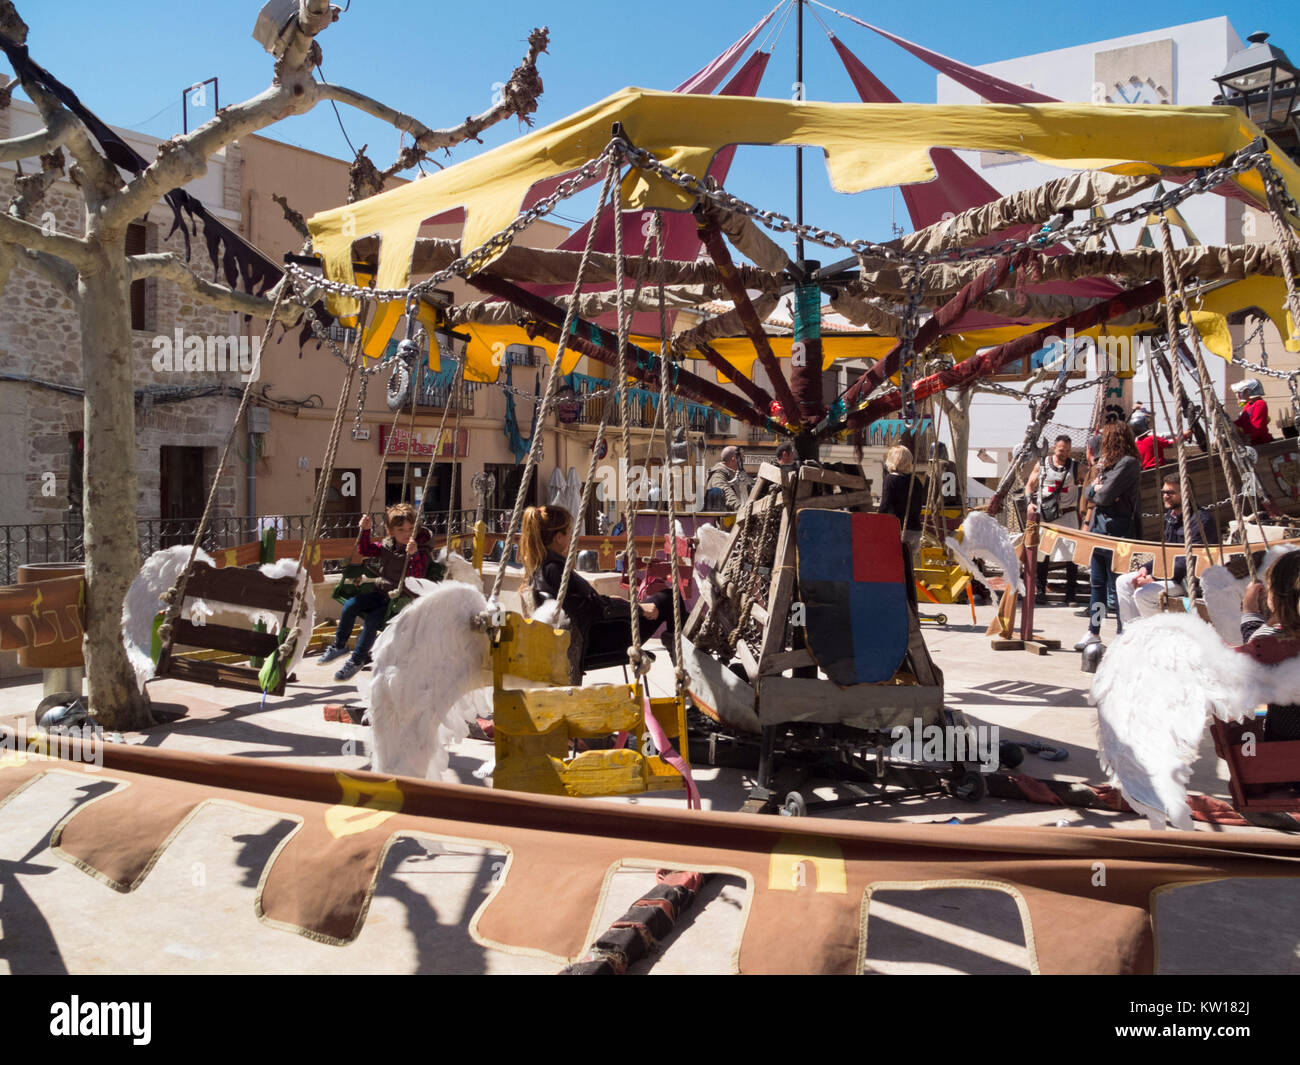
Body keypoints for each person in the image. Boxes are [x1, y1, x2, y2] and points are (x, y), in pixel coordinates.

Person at [521, 504, 676, 669]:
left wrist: (611, 600)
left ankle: (685, 651)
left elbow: (583, 604)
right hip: (601, 638)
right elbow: (592, 609)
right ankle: (690, 663)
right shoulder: (555, 570)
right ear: (558, 537)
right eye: (569, 532)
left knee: (667, 598)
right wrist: (638, 608)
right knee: (670, 599)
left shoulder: (540, 569)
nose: (572, 536)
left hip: (595, 633)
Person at [321, 503, 432, 681]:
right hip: (381, 592)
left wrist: (414, 555)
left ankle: (357, 660)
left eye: (411, 529)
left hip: (400, 599)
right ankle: (339, 645)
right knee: (350, 605)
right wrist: (365, 530)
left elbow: (417, 576)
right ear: (391, 531)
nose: (407, 534)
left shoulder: (420, 549)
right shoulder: (387, 546)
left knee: (372, 621)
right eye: (401, 529)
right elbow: (365, 550)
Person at [1115, 475, 1218, 624]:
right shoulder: (1171, 517)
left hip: (1186, 580)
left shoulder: (1201, 520)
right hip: (1168, 575)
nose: (1165, 496)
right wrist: (1146, 568)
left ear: (1186, 493)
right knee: (1123, 581)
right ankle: (1131, 629)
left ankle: (1157, 632)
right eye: (1163, 492)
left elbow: (1190, 561)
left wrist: (1154, 577)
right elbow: (1165, 552)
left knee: (1144, 594)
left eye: (1170, 493)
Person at [1075, 422, 1141, 650]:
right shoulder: (1107, 466)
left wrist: (1098, 489)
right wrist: (1097, 487)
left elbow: (1102, 497)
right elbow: (1089, 493)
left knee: (1118, 586)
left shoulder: (1128, 464)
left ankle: (1123, 633)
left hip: (1117, 534)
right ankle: (1094, 630)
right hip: (1098, 531)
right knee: (1098, 586)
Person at [1235, 551, 1300, 741]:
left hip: (1286, 744)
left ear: (1276, 598)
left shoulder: (1269, 640)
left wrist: (1249, 613)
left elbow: (1259, 652)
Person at [1025, 434, 1082, 605]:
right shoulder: (1043, 465)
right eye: (1061, 450)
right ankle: (1041, 590)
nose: (1064, 453)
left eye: (1067, 450)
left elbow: (1089, 479)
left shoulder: (1075, 466)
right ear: (1054, 448)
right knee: (1043, 553)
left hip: (1068, 515)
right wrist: (1029, 503)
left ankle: (1070, 593)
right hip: (1047, 514)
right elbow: (1030, 485)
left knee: (1072, 555)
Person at [879, 444, 925, 555]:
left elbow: (884, 506)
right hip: (916, 532)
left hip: (899, 531)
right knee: (907, 567)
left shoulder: (890, 479)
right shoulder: (916, 481)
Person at [704, 445, 749, 511]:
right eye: (742, 457)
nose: (744, 460)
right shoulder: (718, 474)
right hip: (720, 518)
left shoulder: (735, 474)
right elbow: (725, 491)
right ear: (734, 459)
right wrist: (739, 507)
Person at [1232, 379, 1271, 446]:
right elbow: (1241, 421)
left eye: (1243, 392)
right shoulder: (1248, 405)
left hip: (1259, 442)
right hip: (1250, 440)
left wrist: (1249, 439)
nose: (1239, 395)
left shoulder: (1260, 404)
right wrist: (1230, 424)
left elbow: (1257, 425)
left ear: (1250, 391)